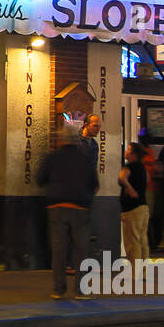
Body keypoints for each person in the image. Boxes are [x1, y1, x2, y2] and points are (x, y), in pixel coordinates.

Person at [37, 114, 98, 300]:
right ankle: (80, 290)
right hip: (80, 208)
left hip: (57, 208)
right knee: (81, 250)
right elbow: (94, 184)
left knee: (59, 251)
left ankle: (58, 289)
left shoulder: (53, 157)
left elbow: (40, 180)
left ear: (62, 138)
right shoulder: (86, 158)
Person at [119, 142, 150, 284]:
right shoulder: (142, 168)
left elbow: (122, 177)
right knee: (142, 241)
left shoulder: (130, 166)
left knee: (132, 243)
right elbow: (148, 180)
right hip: (143, 208)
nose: (126, 152)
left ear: (133, 154)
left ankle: (134, 274)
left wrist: (129, 188)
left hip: (131, 209)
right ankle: (143, 272)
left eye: (128, 150)